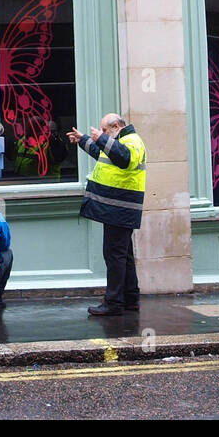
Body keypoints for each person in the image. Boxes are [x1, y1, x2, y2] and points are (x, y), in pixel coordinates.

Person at [68, 113, 146, 317]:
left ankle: (114, 302)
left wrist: (101, 138)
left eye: (105, 130)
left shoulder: (131, 141)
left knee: (114, 256)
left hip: (119, 208)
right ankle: (130, 298)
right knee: (123, 255)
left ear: (116, 126)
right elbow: (103, 154)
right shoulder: (119, 141)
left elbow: (124, 158)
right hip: (118, 208)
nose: (103, 133)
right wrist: (83, 140)